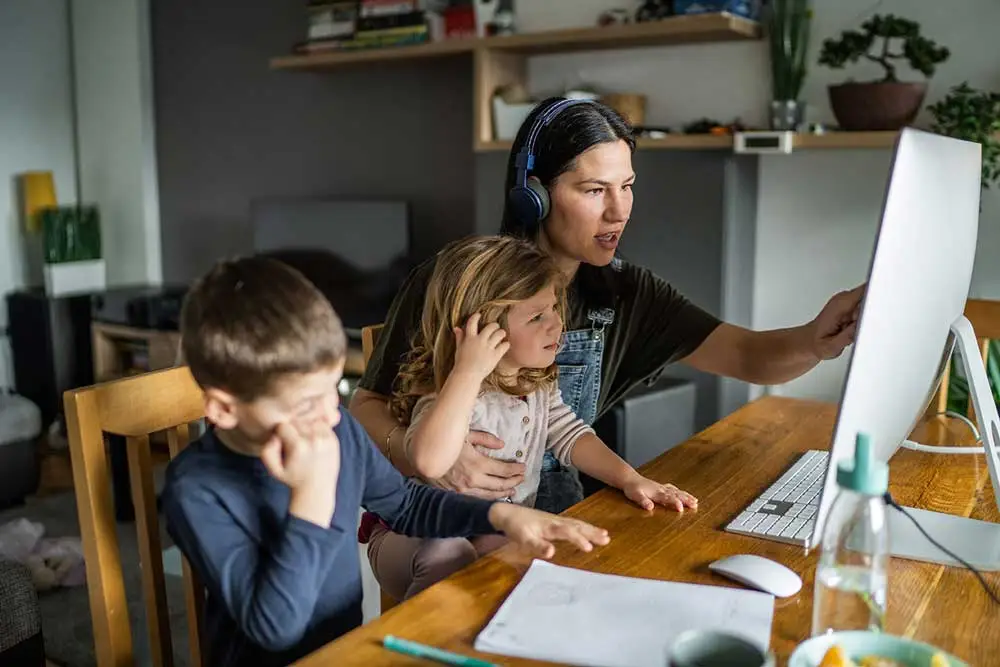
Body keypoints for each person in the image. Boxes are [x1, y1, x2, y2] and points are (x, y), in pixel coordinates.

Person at [350, 97, 863, 515]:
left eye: (627, 187)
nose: (619, 211)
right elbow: (365, 404)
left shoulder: (630, 294)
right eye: (595, 190)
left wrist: (815, 339)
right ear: (535, 196)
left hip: (556, 512)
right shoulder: (456, 281)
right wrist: (428, 459)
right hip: (441, 515)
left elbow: (751, 358)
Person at [160, 256, 610, 667]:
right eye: (302, 405)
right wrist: (311, 496)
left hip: (345, 652)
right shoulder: (196, 489)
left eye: (331, 390)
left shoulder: (333, 427)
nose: (326, 416)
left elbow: (406, 506)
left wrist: (499, 515)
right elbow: (275, 628)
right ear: (223, 410)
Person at [364, 236, 698, 601]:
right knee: (449, 552)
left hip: (488, 529)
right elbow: (427, 460)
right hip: (407, 539)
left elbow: (571, 435)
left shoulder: (536, 385)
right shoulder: (452, 392)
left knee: (522, 556)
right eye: (537, 317)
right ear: (482, 329)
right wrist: (467, 373)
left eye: (554, 308)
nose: (556, 325)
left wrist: (630, 479)